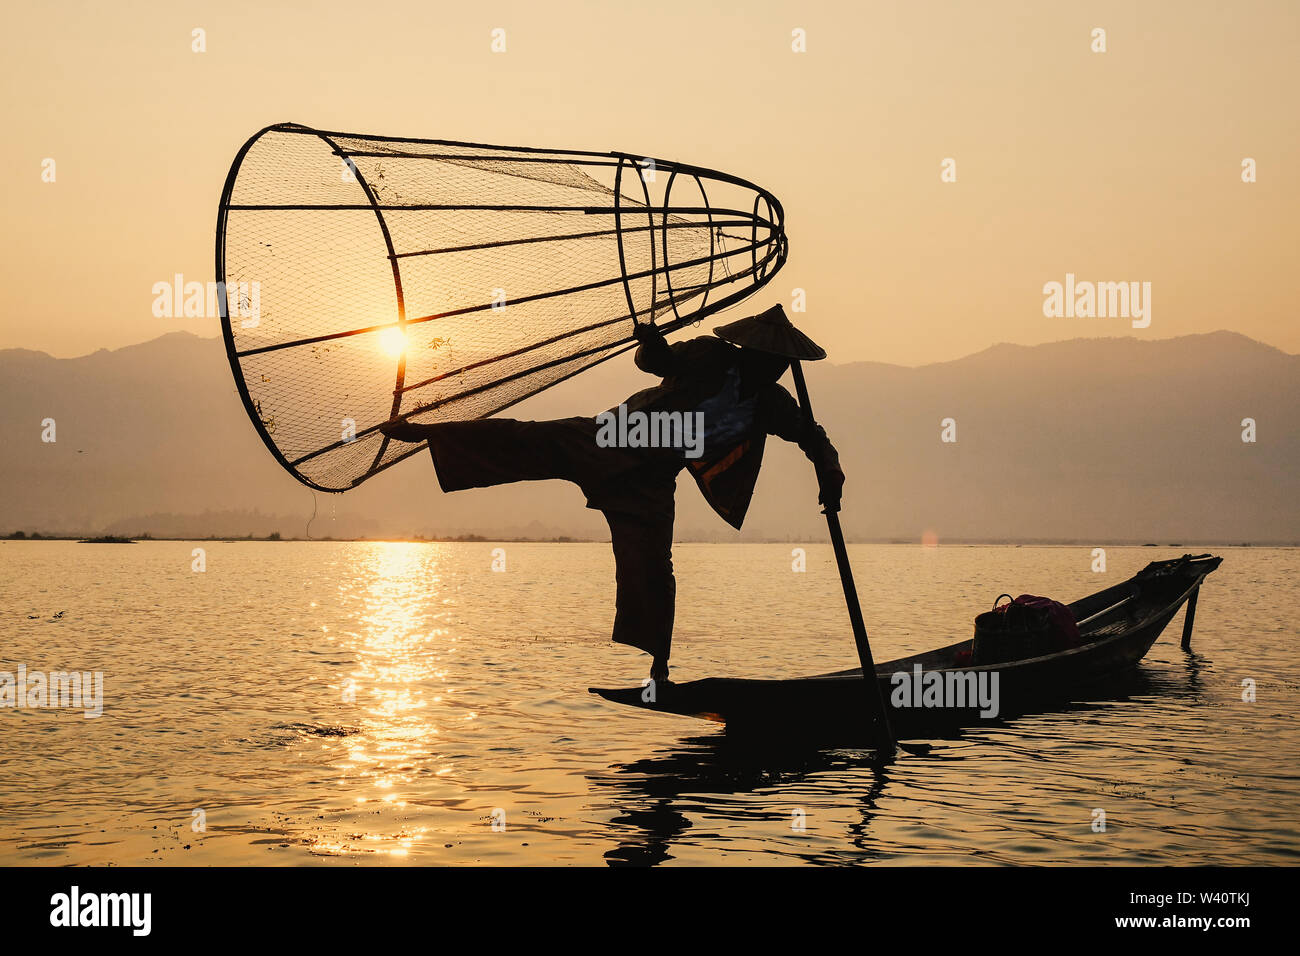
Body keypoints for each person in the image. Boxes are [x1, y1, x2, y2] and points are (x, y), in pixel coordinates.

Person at [381, 303, 844, 685]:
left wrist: (830, 473)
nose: (776, 368)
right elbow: (658, 364)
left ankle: (658, 668)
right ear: (753, 351)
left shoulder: (772, 403)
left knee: (653, 566)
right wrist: (652, 344)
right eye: (770, 359)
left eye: (782, 364)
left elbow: (813, 436)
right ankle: (429, 434)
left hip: (653, 477)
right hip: (618, 436)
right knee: (535, 440)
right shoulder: (710, 356)